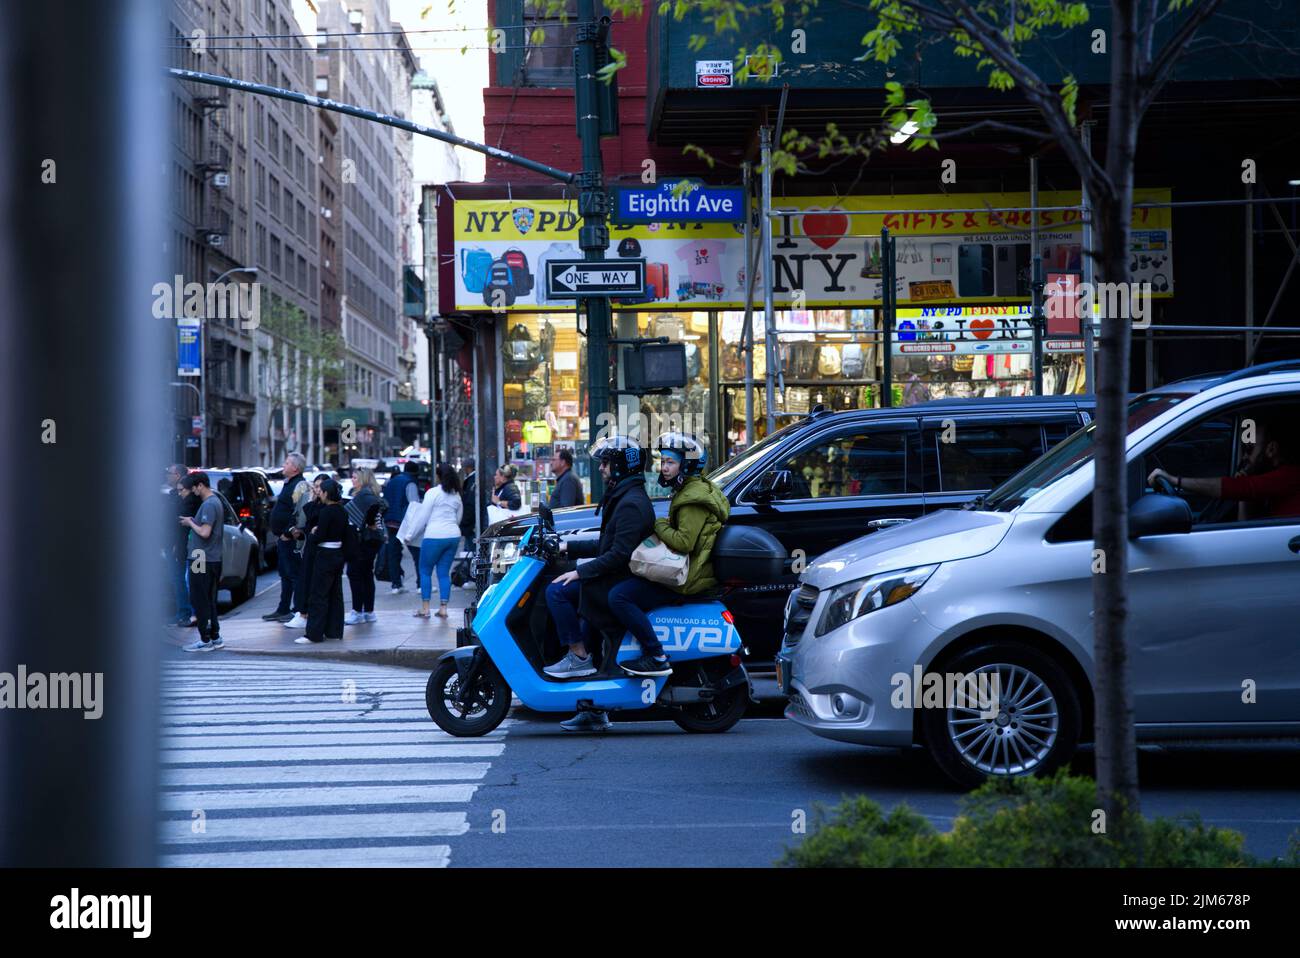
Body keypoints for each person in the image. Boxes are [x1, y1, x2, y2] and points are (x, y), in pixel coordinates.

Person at [543, 436, 655, 732]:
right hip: (612, 576)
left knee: (557, 592)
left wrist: (580, 573)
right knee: (581, 614)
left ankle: (577, 657)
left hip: (620, 580)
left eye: (606, 463)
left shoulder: (630, 503)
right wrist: (569, 548)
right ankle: (592, 708)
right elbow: (607, 544)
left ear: (619, 466)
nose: (602, 469)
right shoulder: (623, 496)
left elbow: (619, 554)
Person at [607, 433, 730, 677]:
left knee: (619, 596)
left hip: (687, 578)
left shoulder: (691, 501)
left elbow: (684, 542)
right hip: (692, 569)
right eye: (662, 461)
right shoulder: (696, 489)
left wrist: (659, 524)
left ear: (686, 465)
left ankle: (655, 655)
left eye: (670, 462)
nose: (663, 467)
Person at [1149, 413, 1300, 520]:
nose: (1245, 457)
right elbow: (1245, 526)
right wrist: (1245, 488)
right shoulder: (1269, 480)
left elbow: (1233, 487)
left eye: (1250, 449)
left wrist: (1176, 480)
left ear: (1272, 449)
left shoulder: (1290, 476)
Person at [409, 463, 464, 619]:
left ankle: (425, 609)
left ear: (439, 476)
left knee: (425, 571)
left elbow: (422, 516)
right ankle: (443, 608)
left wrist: (411, 534)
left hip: (434, 535)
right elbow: (458, 518)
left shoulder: (432, 493)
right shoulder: (456, 495)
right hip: (453, 535)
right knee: (443, 573)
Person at [298, 478, 347, 644]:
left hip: (325, 555)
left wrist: (313, 533)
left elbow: (319, 537)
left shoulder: (326, 512)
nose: (319, 493)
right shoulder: (342, 510)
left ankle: (314, 633)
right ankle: (334, 630)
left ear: (326, 493)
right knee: (335, 594)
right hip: (338, 554)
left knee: (318, 595)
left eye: (321, 490)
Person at [179, 472, 225, 652]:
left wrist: (190, 522)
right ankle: (214, 636)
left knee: (200, 598)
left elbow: (205, 532)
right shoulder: (214, 503)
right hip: (208, 557)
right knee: (209, 598)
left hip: (201, 556)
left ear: (200, 485)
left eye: (194, 488)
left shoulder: (209, 505)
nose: (193, 491)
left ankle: (206, 638)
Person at [263, 452, 307, 622]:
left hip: (290, 539)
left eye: (287, 463)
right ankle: (283, 608)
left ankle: (298, 610)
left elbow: (299, 512)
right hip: (282, 538)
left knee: (294, 574)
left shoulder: (300, 485)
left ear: (295, 468)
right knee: (285, 574)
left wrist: (288, 533)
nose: (284, 464)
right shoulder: (289, 483)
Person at [344, 466, 387, 624]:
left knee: (355, 574)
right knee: (366, 575)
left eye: (355, 477)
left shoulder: (364, 496)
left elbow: (368, 513)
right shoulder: (371, 494)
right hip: (371, 541)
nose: (352, 480)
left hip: (363, 542)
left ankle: (357, 611)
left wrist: (367, 523)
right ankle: (368, 611)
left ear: (363, 479)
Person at [284, 474, 325, 630]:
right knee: (302, 580)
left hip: (316, 550)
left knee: (308, 583)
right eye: (315, 486)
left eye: (320, 487)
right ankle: (302, 612)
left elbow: (311, 523)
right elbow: (298, 516)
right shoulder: (310, 501)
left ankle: (304, 614)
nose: (316, 490)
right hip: (305, 546)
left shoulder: (321, 506)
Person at [380, 461, 422, 593]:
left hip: (390, 522)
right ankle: (421, 584)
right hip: (405, 523)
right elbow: (414, 504)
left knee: (393, 554)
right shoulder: (410, 483)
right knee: (417, 554)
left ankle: (396, 585)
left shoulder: (391, 482)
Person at [164, 464, 195, 627]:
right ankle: (188, 613)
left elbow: (184, 523)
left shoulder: (193, 501)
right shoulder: (174, 495)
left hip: (196, 550)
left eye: (183, 490)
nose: (181, 493)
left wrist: (177, 544)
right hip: (186, 548)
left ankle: (190, 613)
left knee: (194, 579)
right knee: (184, 580)